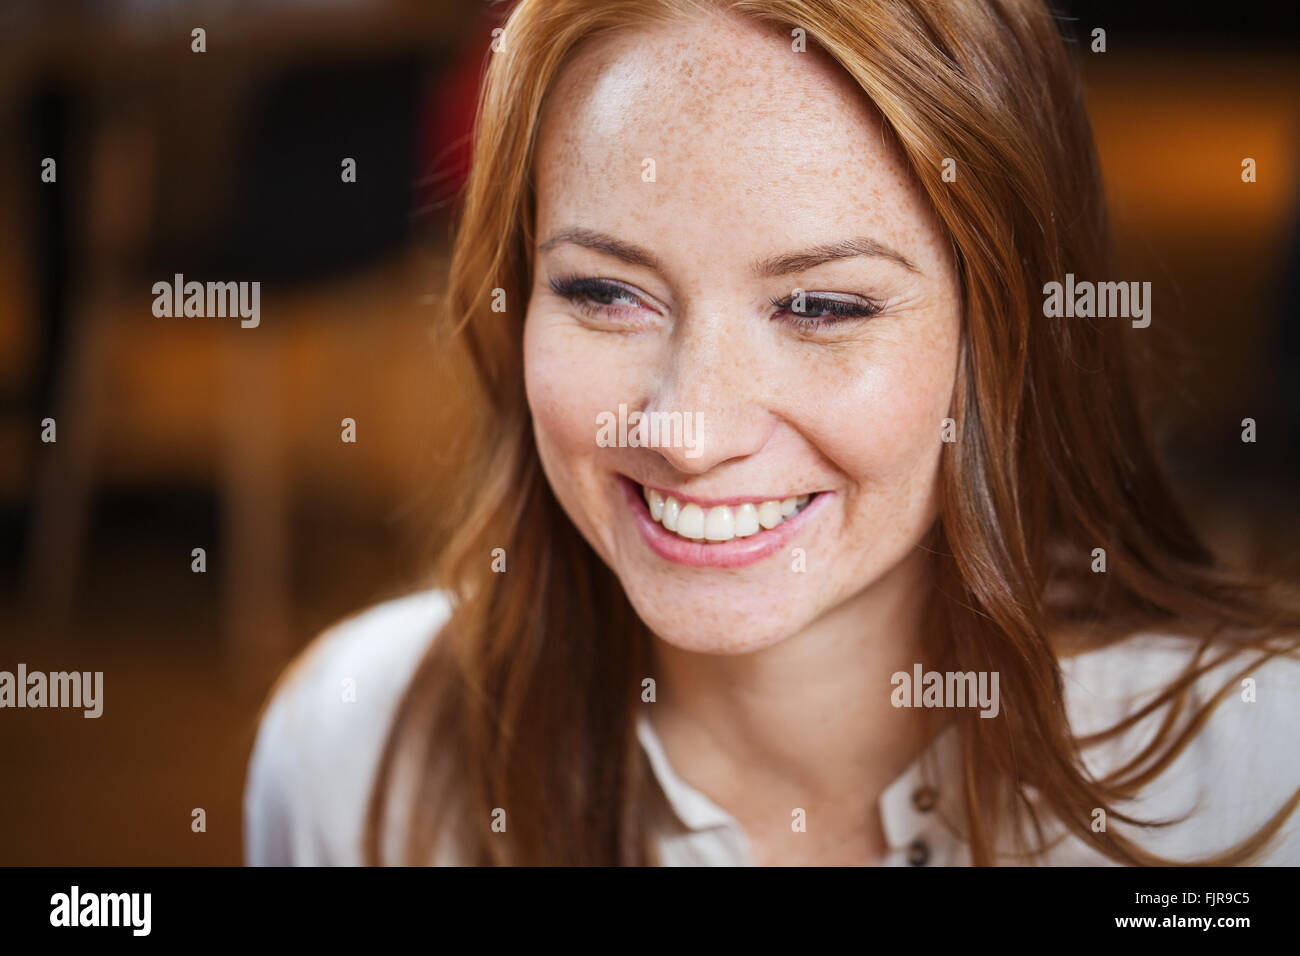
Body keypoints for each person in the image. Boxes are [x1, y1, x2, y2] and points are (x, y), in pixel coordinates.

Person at [244, 0, 1300, 866]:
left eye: (821, 307)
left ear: (1004, 331)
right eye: (606, 291)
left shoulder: (1262, 773)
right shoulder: (353, 750)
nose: (690, 434)